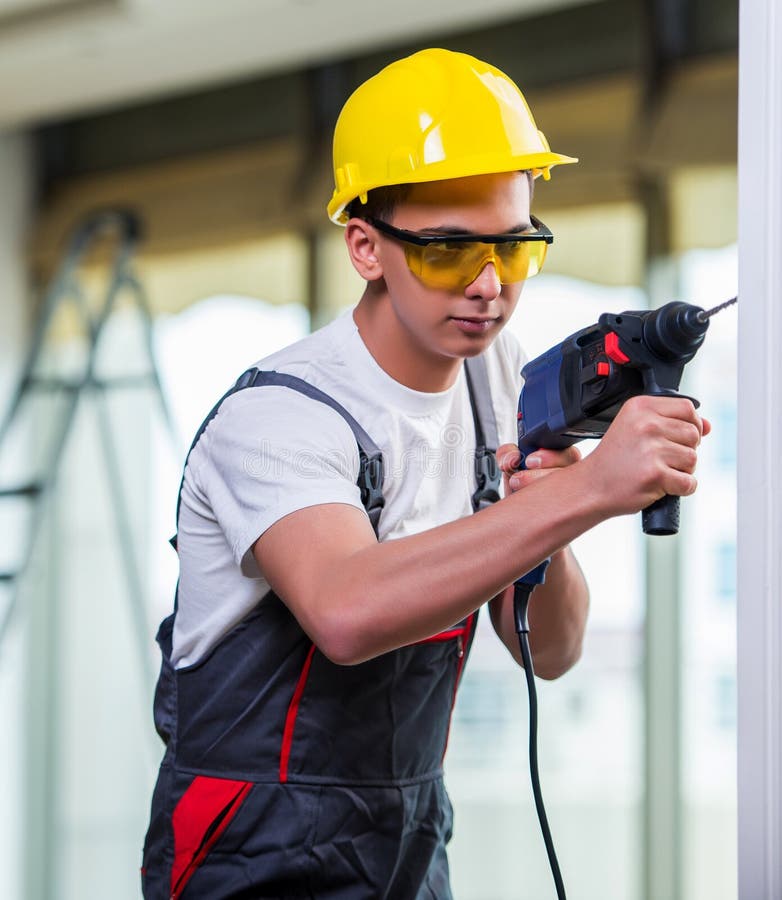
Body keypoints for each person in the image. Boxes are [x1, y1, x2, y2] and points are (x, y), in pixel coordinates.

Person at [141, 48, 708, 899]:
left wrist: (559, 506)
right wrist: (595, 489)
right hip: (247, 852)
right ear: (366, 248)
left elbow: (548, 651)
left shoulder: (496, 386)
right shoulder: (280, 415)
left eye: (514, 249)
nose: (488, 285)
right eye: (449, 251)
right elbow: (346, 609)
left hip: (407, 842)